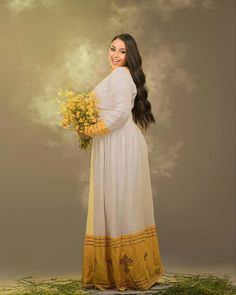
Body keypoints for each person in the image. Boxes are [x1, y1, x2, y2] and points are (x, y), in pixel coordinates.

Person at [77, 33, 165, 291]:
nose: (115, 55)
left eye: (122, 51)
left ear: (131, 56)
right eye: (112, 48)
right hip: (117, 143)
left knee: (119, 201)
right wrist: (82, 117)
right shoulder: (120, 75)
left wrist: (89, 130)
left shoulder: (120, 76)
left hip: (119, 145)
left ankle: (123, 272)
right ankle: (121, 270)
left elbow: (118, 114)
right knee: (119, 201)